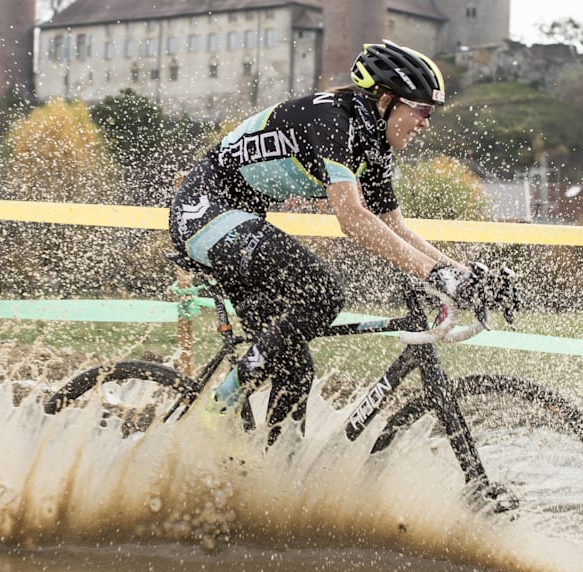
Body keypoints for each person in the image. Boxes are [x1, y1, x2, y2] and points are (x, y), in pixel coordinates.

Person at [169, 40, 495, 445]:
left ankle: (268, 481)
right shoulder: (333, 120)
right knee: (322, 292)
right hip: (206, 213)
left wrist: (464, 276)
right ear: (389, 100)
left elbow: (394, 228)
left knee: (295, 369)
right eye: (423, 110)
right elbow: (354, 220)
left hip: (241, 220)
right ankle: (214, 411)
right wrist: (438, 274)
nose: (426, 122)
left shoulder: (373, 145)